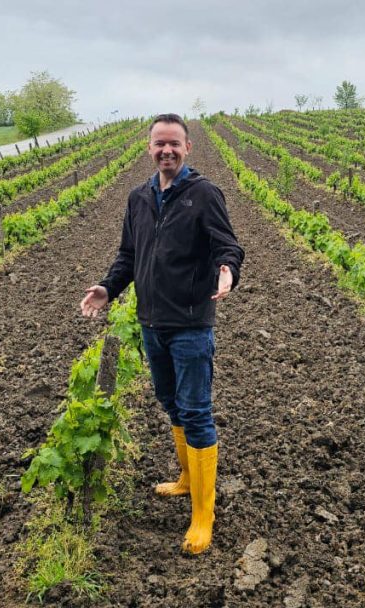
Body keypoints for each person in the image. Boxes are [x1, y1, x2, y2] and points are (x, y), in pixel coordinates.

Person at [80, 113, 244, 554]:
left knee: (196, 411)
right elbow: (129, 255)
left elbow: (227, 245)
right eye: (159, 143)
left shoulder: (204, 194)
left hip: (191, 323)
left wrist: (227, 269)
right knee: (170, 402)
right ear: (149, 148)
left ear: (188, 147)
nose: (166, 150)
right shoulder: (139, 197)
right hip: (151, 322)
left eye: (174, 143)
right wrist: (108, 288)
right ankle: (188, 479)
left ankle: (203, 515)